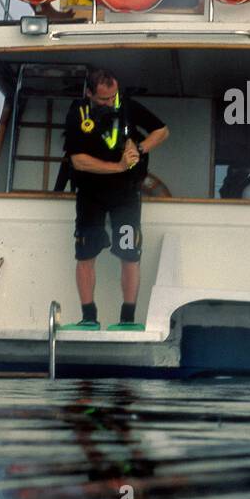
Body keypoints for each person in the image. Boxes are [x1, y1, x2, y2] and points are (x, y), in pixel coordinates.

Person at [60, 68, 169, 330]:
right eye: (103, 100)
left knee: (129, 253)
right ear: (89, 94)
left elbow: (162, 131)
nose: (110, 104)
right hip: (91, 194)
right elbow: (78, 160)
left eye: (113, 98)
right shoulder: (78, 113)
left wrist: (140, 149)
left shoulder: (128, 106)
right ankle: (89, 318)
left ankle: (127, 320)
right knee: (85, 253)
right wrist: (119, 166)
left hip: (126, 194)